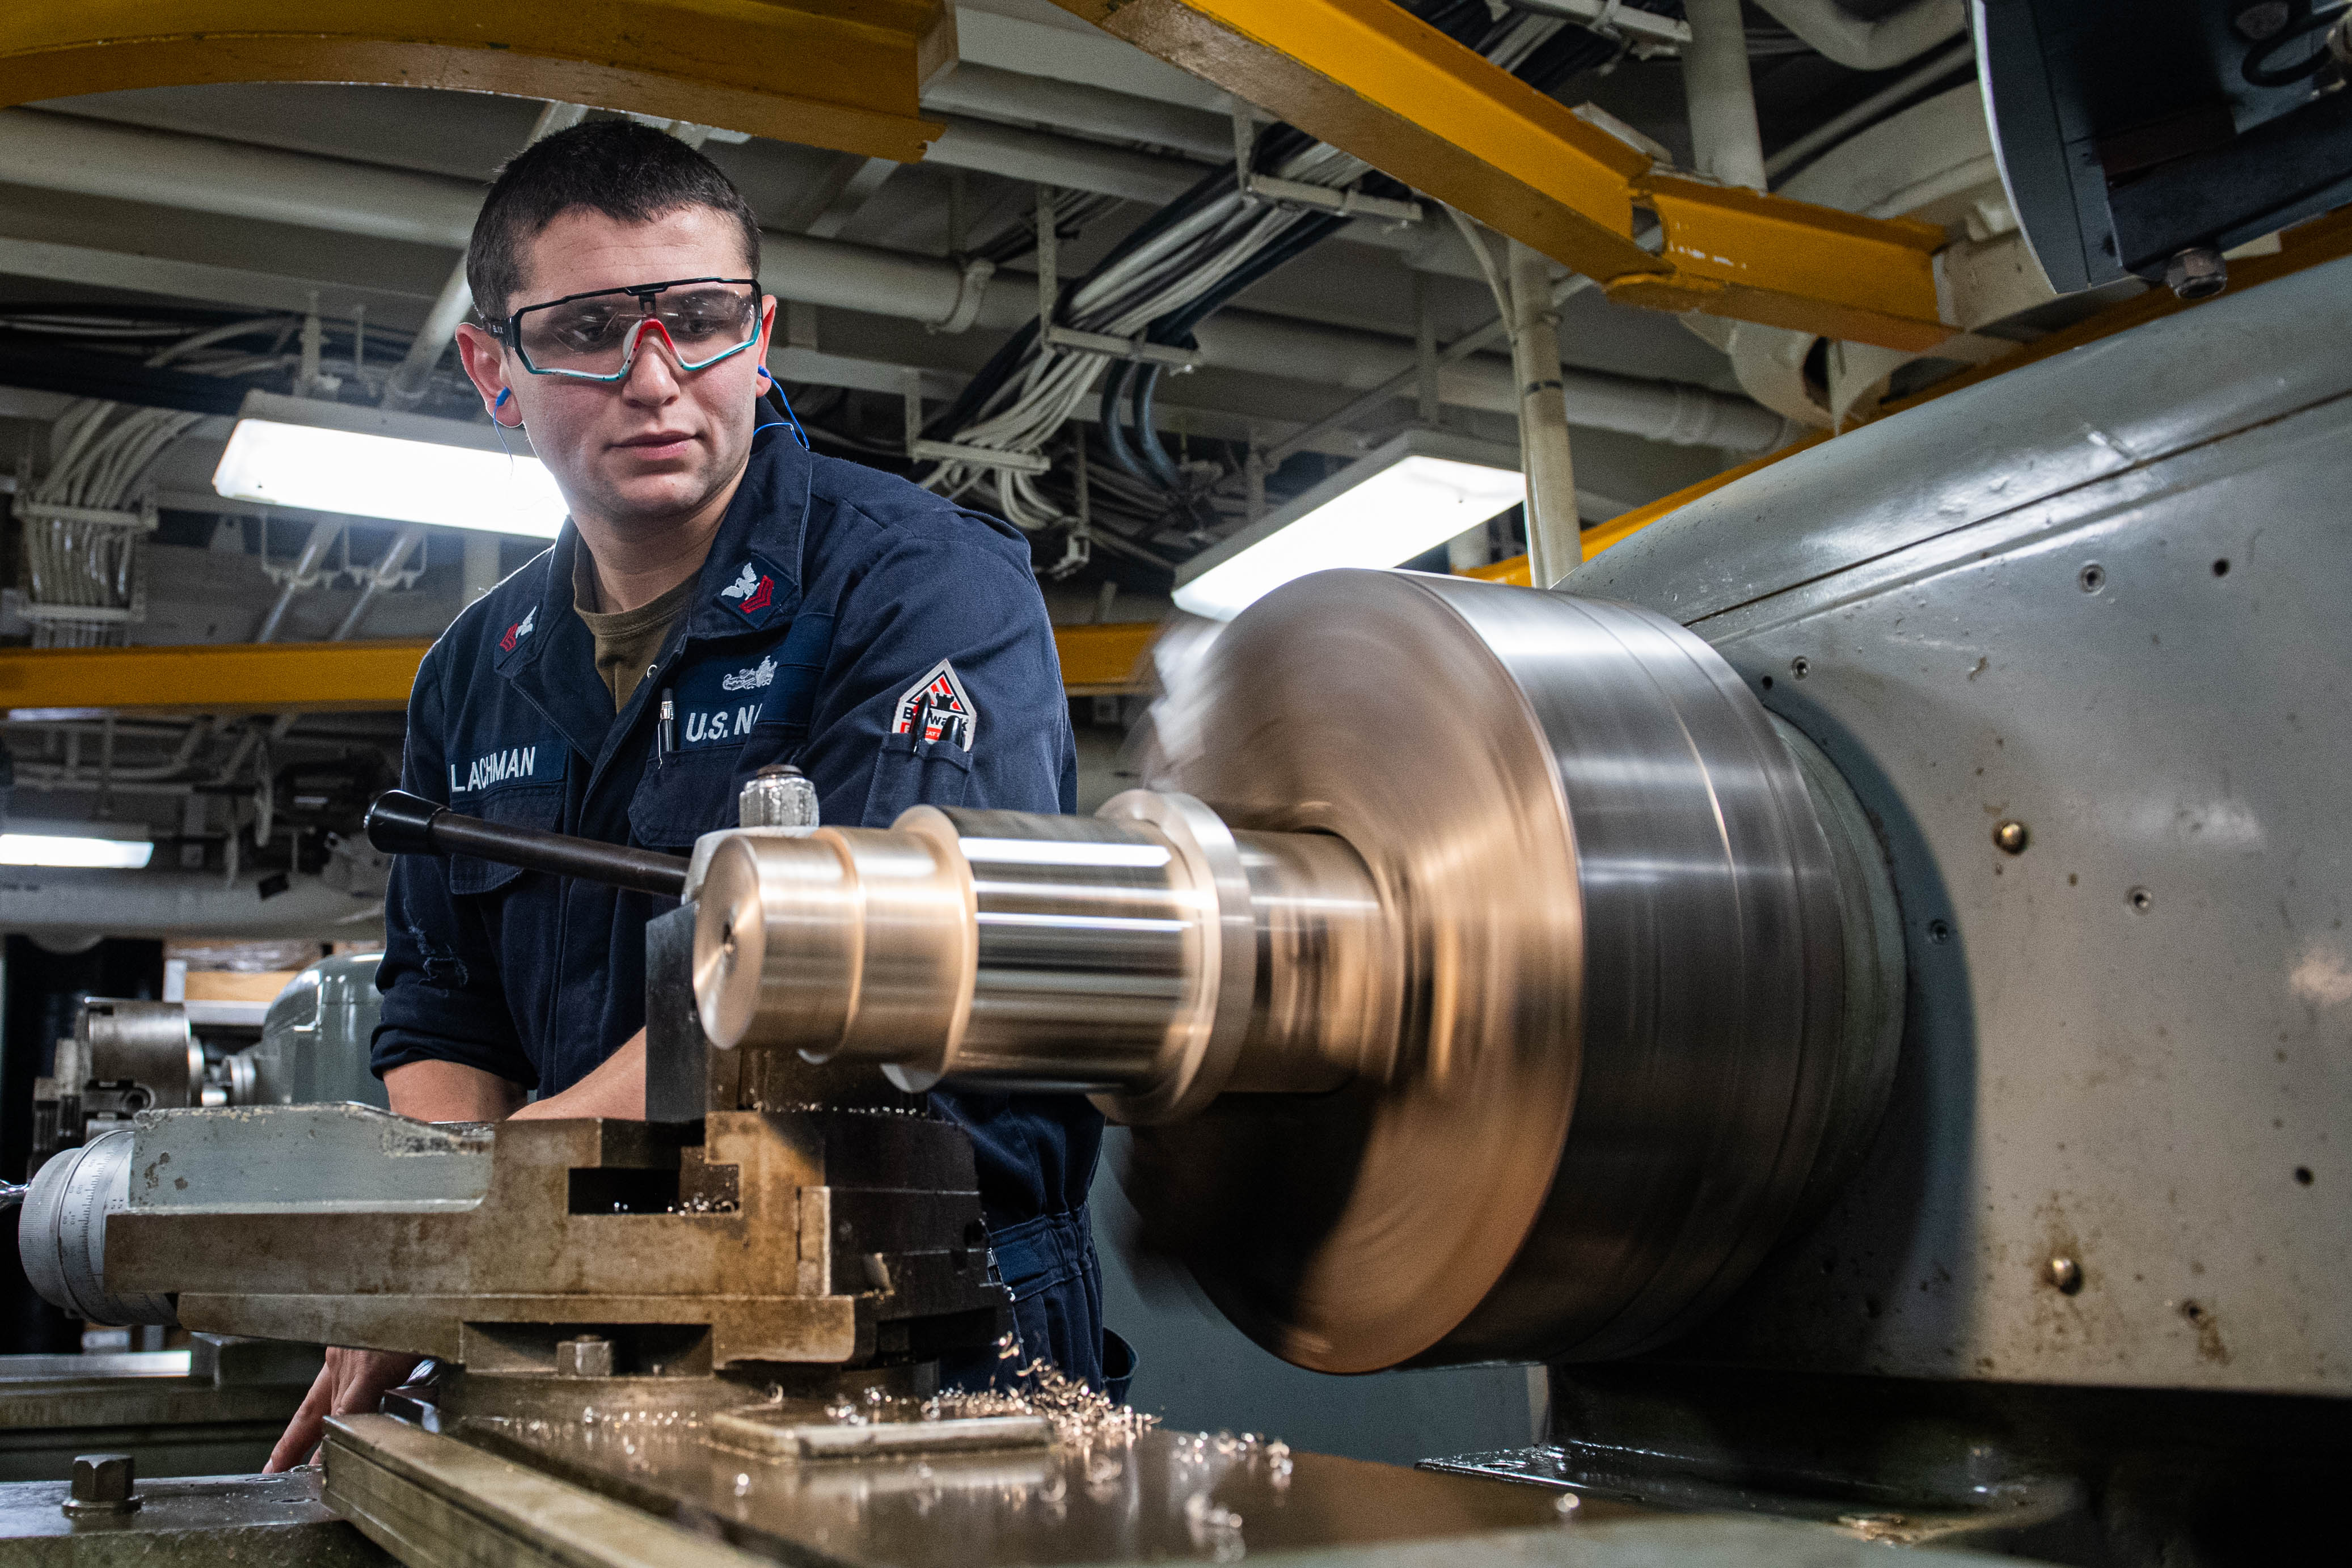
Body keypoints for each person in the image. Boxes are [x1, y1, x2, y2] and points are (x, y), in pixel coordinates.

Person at [267, 120, 1107, 1469]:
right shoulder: (473, 675)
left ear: (759, 333)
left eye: (701, 320)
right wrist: (433, 1242)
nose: (656, 380)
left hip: (927, 1318)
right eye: (591, 329)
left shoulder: (919, 585)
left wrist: (476, 1219)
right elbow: (444, 1007)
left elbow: (851, 969)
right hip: (594, 1319)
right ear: (494, 366)